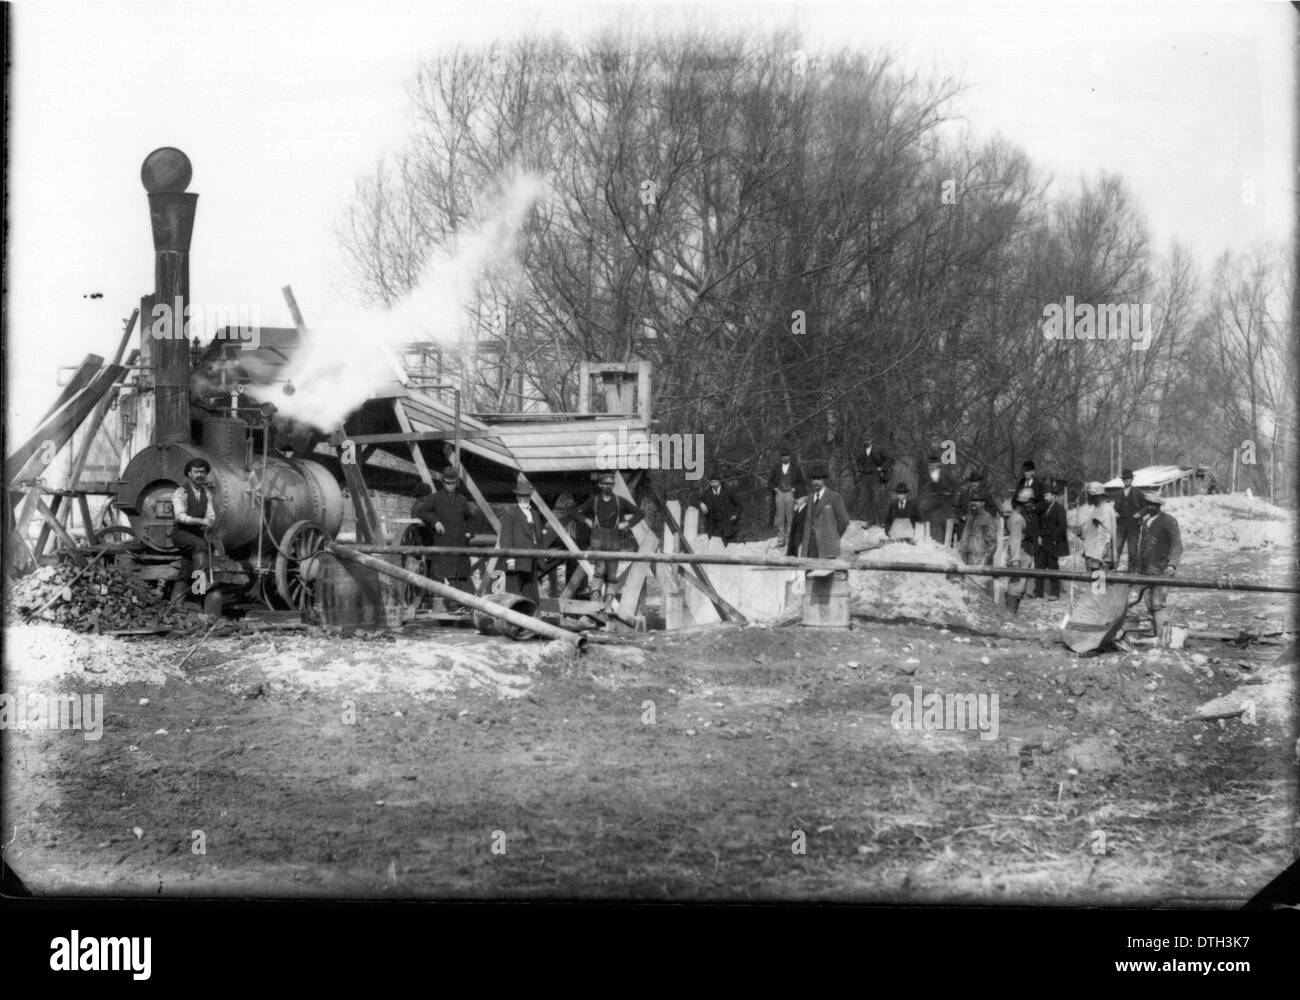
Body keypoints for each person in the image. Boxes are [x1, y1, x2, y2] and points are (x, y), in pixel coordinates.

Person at [572, 472, 644, 611]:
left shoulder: (620, 501)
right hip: (598, 541)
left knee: (611, 574)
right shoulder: (594, 500)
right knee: (599, 571)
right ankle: (594, 604)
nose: (608, 486)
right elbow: (576, 513)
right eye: (605, 484)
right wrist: (586, 520)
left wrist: (627, 523)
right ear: (600, 485)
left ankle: (608, 605)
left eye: (611, 484)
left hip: (614, 542)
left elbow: (640, 513)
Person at [420, 465, 480, 609]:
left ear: (456, 483)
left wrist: (469, 532)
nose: (450, 486)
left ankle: (467, 607)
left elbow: (471, 519)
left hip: (460, 544)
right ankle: (451, 607)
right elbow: (422, 512)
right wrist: (435, 522)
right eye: (448, 482)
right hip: (443, 544)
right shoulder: (435, 498)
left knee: (463, 577)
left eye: (453, 483)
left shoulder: (462, 500)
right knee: (444, 577)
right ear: (443, 482)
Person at [170, 457, 218, 606]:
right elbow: (180, 517)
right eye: (196, 472)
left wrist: (209, 521)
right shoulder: (180, 492)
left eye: (202, 472)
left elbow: (210, 515)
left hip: (197, 535)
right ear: (189, 474)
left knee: (186, 568)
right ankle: (198, 591)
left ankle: (175, 605)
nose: (200, 475)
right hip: (181, 534)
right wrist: (200, 521)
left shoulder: (206, 493)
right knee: (200, 546)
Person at [1137, 492, 1182, 644]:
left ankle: (1164, 637)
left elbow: (1177, 544)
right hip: (1145, 570)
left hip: (1161, 568)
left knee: (1158, 604)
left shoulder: (1169, 521)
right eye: (1147, 504)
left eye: (1153, 505)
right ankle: (1155, 633)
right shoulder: (1146, 522)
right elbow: (1142, 547)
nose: (1149, 507)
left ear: (1158, 506)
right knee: (1149, 603)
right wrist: (1138, 566)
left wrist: (1172, 565)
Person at [497, 474, 544, 603]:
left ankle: (531, 615)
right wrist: (510, 558)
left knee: (531, 592)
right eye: (521, 496)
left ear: (530, 496)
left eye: (526, 496)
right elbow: (505, 538)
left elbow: (539, 537)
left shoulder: (534, 514)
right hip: (516, 561)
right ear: (517, 497)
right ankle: (513, 618)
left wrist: (541, 556)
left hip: (531, 559)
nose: (524, 499)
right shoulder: (510, 514)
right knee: (513, 593)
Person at [798, 464, 850, 559]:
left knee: (826, 572)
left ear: (824, 480)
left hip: (827, 545)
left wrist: (833, 535)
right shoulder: (810, 498)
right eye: (814, 479)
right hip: (810, 546)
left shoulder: (833, 497)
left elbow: (844, 520)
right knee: (809, 572)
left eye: (819, 479)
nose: (816, 482)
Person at [1004, 488, 1038, 614]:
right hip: (1020, 553)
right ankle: (1010, 614)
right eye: (1030, 502)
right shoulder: (1017, 518)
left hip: (1026, 553)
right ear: (1023, 503)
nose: (1032, 505)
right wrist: (1015, 561)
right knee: (1016, 586)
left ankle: (1013, 613)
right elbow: (1015, 540)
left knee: (1021, 586)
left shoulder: (1023, 516)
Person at [1035, 480, 1068, 600]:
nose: (1045, 497)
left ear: (1053, 496)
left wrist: (1055, 539)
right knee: (1039, 566)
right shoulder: (1044, 507)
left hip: (1053, 542)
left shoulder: (1059, 508)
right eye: (1044, 495)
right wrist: (1039, 535)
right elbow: (1039, 522)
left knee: (1053, 567)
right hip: (1043, 540)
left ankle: (1055, 593)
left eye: (1047, 495)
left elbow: (1063, 526)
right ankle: (1038, 592)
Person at [768, 448, 806, 548]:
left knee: (791, 517)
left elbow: (801, 482)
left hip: (790, 494)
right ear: (781, 457)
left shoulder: (795, 468)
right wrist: (775, 489)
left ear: (789, 457)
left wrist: (795, 489)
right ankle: (780, 540)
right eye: (783, 456)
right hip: (779, 494)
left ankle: (790, 540)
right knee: (779, 518)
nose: (785, 458)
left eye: (787, 456)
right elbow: (770, 481)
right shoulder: (776, 468)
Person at [921, 455, 961, 545]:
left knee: (944, 522)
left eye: (934, 465)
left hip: (945, 502)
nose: (932, 467)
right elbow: (927, 488)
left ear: (938, 464)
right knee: (931, 520)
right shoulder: (928, 475)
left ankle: (945, 543)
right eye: (930, 465)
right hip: (934, 502)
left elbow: (955, 486)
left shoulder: (946, 473)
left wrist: (949, 494)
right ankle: (932, 542)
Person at [1077, 481, 1115, 572]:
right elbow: (1092, 532)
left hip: (1097, 558)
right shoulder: (1097, 508)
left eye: (1089, 495)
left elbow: (1104, 537)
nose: (1087, 497)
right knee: (1095, 585)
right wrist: (1081, 532)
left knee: (1098, 585)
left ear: (1096, 496)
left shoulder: (1104, 510)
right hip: (1092, 554)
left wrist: (1097, 559)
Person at [855, 436, 893, 527]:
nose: (866, 442)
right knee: (867, 499)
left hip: (875, 476)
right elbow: (858, 461)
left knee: (878, 498)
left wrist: (882, 468)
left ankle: (882, 521)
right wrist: (859, 469)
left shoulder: (879, 449)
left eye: (868, 440)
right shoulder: (862, 451)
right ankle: (870, 521)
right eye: (865, 440)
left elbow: (889, 459)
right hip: (865, 476)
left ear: (872, 440)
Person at [697, 473, 742, 546]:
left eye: (715, 482)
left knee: (729, 548)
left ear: (719, 482)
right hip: (713, 526)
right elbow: (695, 501)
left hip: (728, 524)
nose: (713, 484)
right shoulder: (706, 494)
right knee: (715, 547)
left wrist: (735, 515)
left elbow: (739, 505)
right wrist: (701, 504)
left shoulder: (728, 492)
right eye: (712, 482)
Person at [1114, 468, 1143, 571]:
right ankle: (1112, 572)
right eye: (1125, 478)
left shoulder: (1138, 492)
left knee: (1132, 551)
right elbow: (1115, 507)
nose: (1127, 480)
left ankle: (1131, 575)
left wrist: (1139, 513)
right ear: (1122, 480)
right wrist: (1115, 512)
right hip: (1120, 525)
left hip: (1133, 525)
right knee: (1116, 549)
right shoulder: (1118, 493)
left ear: (1132, 479)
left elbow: (1146, 507)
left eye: (1128, 478)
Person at [957, 497, 998, 566]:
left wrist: (985, 562)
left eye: (976, 501)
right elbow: (964, 538)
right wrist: (962, 554)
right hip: (968, 561)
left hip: (981, 562)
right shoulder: (970, 518)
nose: (973, 503)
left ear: (983, 503)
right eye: (971, 500)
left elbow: (992, 543)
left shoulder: (987, 518)